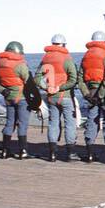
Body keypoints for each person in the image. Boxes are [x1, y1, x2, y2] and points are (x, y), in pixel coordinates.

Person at [78, 31, 105, 163]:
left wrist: (87, 94)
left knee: (91, 121)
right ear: (104, 42)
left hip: (91, 93)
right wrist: (101, 95)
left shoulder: (86, 57)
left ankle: (89, 154)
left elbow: (80, 79)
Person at [39, 34, 78, 162]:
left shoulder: (45, 58)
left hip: (51, 97)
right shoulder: (67, 58)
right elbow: (73, 79)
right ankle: (70, 153)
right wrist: (60, 88)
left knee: (53, 124)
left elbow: (37, 79)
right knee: (70, 124)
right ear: (64, 44)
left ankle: (52, 154)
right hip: (65, 96)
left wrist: (47, 88)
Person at [0, 41, 32, 160]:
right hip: (22, 98)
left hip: (8, 97)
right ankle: (23, 151)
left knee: (9, 123)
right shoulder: (20, 65)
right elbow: (28, 81)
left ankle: (5, 150)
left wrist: (3, 90)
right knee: (22, 124)